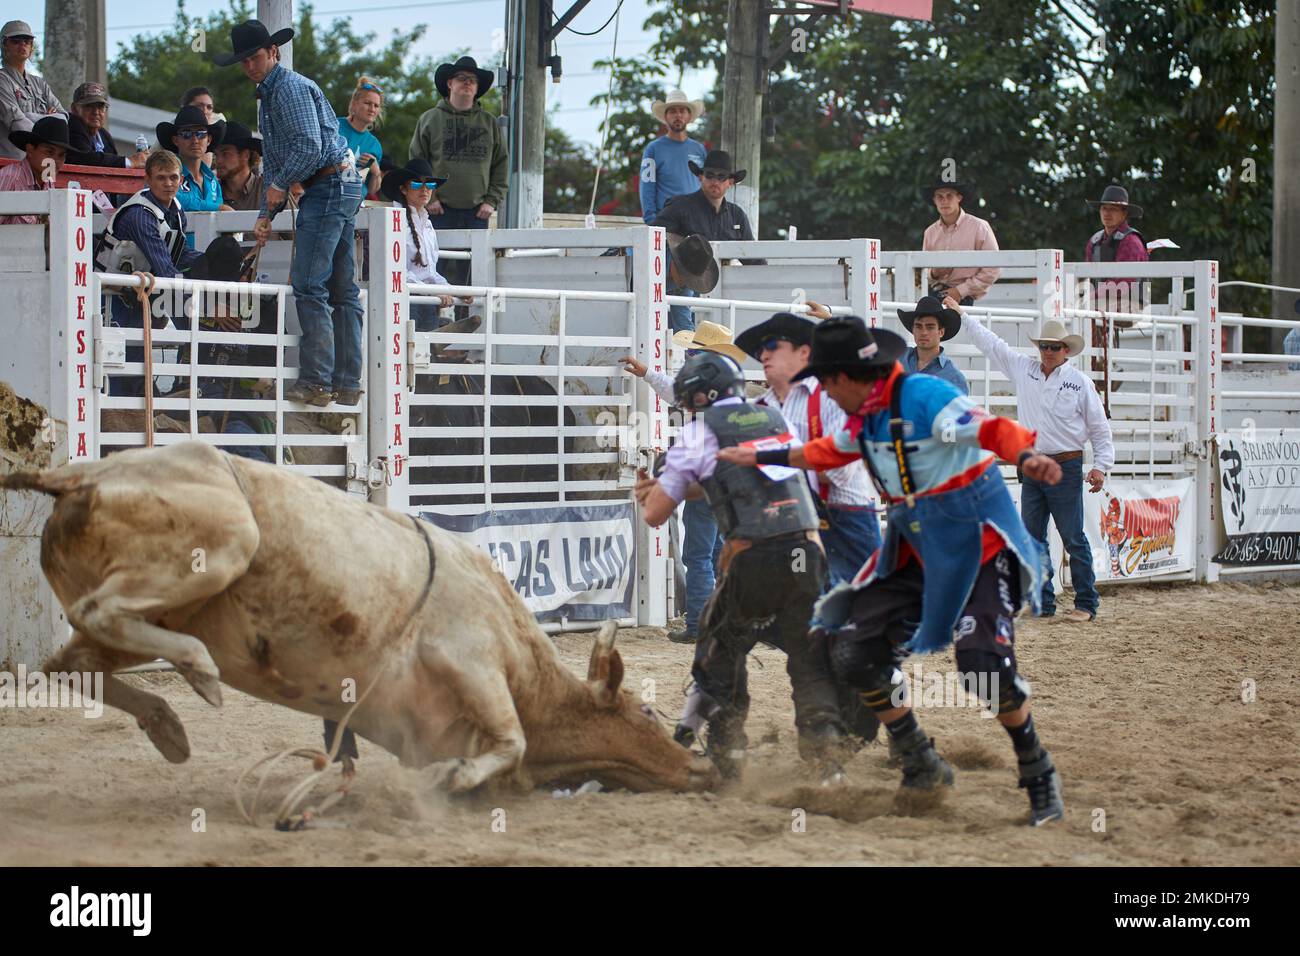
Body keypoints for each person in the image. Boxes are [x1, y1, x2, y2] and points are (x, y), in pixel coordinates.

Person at [717, 316, 1066, 825]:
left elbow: (989, 428)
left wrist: (1027, 454)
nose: (826, 398)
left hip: (979, 551)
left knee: (984, 667)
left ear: (842, 379)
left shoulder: (922, 396)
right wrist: (761, 454)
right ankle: (919, 758)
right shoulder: (867, 415)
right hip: (916, 552)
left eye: (827, 384)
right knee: (852, 649)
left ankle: (1037, 769)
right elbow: (826, 452)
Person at [634, 352, 848, 783]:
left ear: (699, 395)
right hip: (806, 549)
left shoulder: (696, 433)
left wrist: (649, 493)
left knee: (720, 649)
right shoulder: (773, 420)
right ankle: (827, 761)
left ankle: (726, 753)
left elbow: (656, 515)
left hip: (753, 555)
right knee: (808, 658)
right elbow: (765, 479)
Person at [735, 309, 884, 746]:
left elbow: (842, 460)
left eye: (772, 346)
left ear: (803, 353)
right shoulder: (758, 408)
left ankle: (892, 725)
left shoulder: (828, 395)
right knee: (800, 620)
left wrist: (777, 457)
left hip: (847, 523)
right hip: (798, 528)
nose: (762, 355)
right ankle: (835, 715)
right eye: (760, 349)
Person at [216, 19, 365, 409]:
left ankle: (317, 380)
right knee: (342, 288)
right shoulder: (281, 92)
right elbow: (301, 152)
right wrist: (270, 208)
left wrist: (277, 191)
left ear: (273, 53)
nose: (250, 65)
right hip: (339, 183)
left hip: (327, 184)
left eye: (255, 57)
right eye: (245, 60)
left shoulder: (286, 91)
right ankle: (347, 381)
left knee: (310, 283)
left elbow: (308, 148)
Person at [960, 304, 1115, 623]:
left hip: (1064, 465)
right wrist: (962, 315)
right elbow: (991, 344)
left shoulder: (1079, 382)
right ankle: (1044, 601)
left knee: (1072, 535)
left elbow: (1099, 427)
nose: (1047, 351)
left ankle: (1086, 602)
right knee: (1033, 536)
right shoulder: (1025, 369)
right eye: (1044, 346)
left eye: (1053, 347)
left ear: (1065, 350)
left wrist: (1101, 465)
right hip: (1033, 464)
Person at [619, 319, 741, 645]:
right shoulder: (729, 391)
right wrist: (646, 372)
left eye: (694, 352)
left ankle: (700, 625)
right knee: (717, 555)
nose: (689, 356)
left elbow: (674, 393)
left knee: (699, 556)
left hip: (706, 482)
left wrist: (646, 373)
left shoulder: (701, 391)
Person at [93, 148, 205, 397]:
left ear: (181, 180)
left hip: (137, 296)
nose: (168, 184)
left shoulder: (175, 210)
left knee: (135, 358)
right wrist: (198, 302)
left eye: (173, 177)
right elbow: (164, 266)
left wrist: (207, 264)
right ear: (148, 179)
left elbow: (179, 253)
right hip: (111, 297)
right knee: (118, 361)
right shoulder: (139, 215)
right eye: (161, 178)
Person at [651, 150, 764, 332]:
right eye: (709, 175)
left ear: (730, 182)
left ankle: (691, 346)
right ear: (700, 177)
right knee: (686, 268)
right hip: (682, 286)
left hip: (720, 294)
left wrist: (770, 281)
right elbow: (653, 237)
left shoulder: (737, 215)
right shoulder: (680, 206)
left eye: (721, 177)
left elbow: (753, 259)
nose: (715, 181)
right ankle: (688, 345)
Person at [640, 90, 708, 334]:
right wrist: (653, 222)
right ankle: (687, 348)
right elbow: (647, 186)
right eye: (672, 111)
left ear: (689, 116)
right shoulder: (654, 149)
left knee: (694, 291)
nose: (677, 115)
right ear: (665, 117)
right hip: (668, 230)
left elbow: (707, 187)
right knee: (680, 290)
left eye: (682, 110)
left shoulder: (699, 150)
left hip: (696, 231)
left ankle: (685, 347)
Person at [381, 157, 471, 331]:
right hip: (403, 298)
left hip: (425, 299)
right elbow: (397, 270)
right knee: (413, 350)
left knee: (423, 352)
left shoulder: (427, 224)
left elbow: (430, 273)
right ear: (403, 189)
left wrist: (453, 290)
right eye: (416, 184)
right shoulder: (394, 219)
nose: (424, 190)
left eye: (429, 185)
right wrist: (434, 291)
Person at [922, 180, 999, 304]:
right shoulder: (930, 232)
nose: (944, 201)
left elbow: (993, 268)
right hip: (934, 294)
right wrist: (934, 273)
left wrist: (961, 290)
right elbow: (923, 268)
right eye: (939, 197)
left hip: (965, 298)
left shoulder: (979, 227)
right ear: (934, 200)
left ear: (959, 198)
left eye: (949, 196)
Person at [0, 21, 66, 161]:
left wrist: (30, 117)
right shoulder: (2, 79)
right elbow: (17, 122)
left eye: (27, 40)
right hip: (9, 164)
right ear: (5, 44)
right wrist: (47, 121)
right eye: (16, 40)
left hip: (39, 166)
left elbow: (63, 118)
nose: (23, 44)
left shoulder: (39, 83)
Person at [1084, 183, 1149, 313]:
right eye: (1104, 208)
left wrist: (1089, 297)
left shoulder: (1131, 241)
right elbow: (1086, 276)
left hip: (1131, 303)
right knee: (1073, 307)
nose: (1107, 213)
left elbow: (1124, 283)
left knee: (1080, 309)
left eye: (1113, 209)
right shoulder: (1095, 240)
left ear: (1124, 213)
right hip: (1100, 301)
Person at [158, 105, 231, 214]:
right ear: (176, 140)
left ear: (209, 140)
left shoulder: (213, 181)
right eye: (186, 134)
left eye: (201, 134)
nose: (195, 140)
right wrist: (217, 208)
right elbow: (172, 197)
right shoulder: (165, 172)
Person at [0, 115, 67, 225]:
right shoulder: (10, 178)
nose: (55, 161)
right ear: (30, 150)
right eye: (49, 152)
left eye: (61, 155)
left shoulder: (48, 181)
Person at [897, 295, 969, 394]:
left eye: (930, 327)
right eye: (918, 326)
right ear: (913, 330)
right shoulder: (898, 359)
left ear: (941, 332)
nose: (924, 332)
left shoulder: (953, 377)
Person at [65, 83, 148, 169]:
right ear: (74, 109)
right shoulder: (70, 126)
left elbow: (114, 165)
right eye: (89, 106)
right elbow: (85, 158)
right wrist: (130, 162)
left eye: (101, 107)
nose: (96, 112)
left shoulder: (104, 135)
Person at [338, 76, 384, 198]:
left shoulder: (374, 144)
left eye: (376, 105)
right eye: (367, 103)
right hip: (327, 198)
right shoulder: (335, 127)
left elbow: (372, 190)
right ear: (354, 104)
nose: (372, 109)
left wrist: (376, 172)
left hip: (355, 204)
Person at [213, 121, 264, 211]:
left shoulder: (269, 190)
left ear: (245, 155)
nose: (218, 161)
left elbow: (292, 221)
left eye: (225, 154)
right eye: (216, 155)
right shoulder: (211, 191)